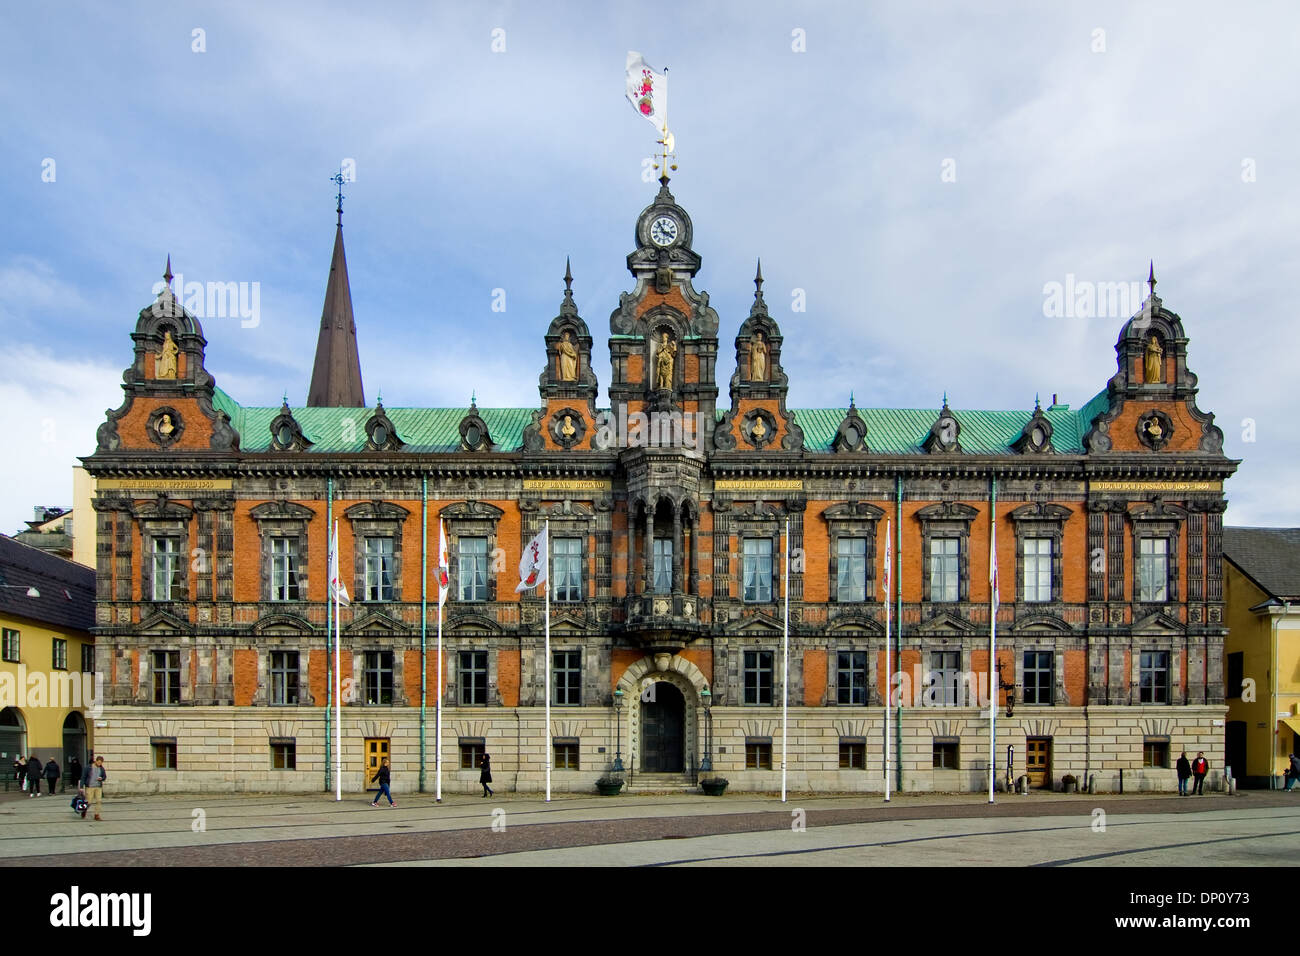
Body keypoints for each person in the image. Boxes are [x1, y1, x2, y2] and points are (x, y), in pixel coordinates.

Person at [82, 755, 106, 820]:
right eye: (98, 762)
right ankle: (84, 810)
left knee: (99, 801)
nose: (99, 764)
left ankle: (96, 815)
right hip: (90, 787)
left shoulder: (102, 768)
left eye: (101, 763)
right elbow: (83, 777)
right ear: (96, 761)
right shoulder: (88, 767)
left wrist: (102, 778)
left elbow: (104, 776)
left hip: (98, 787)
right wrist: (81, 786)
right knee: (89, 802)